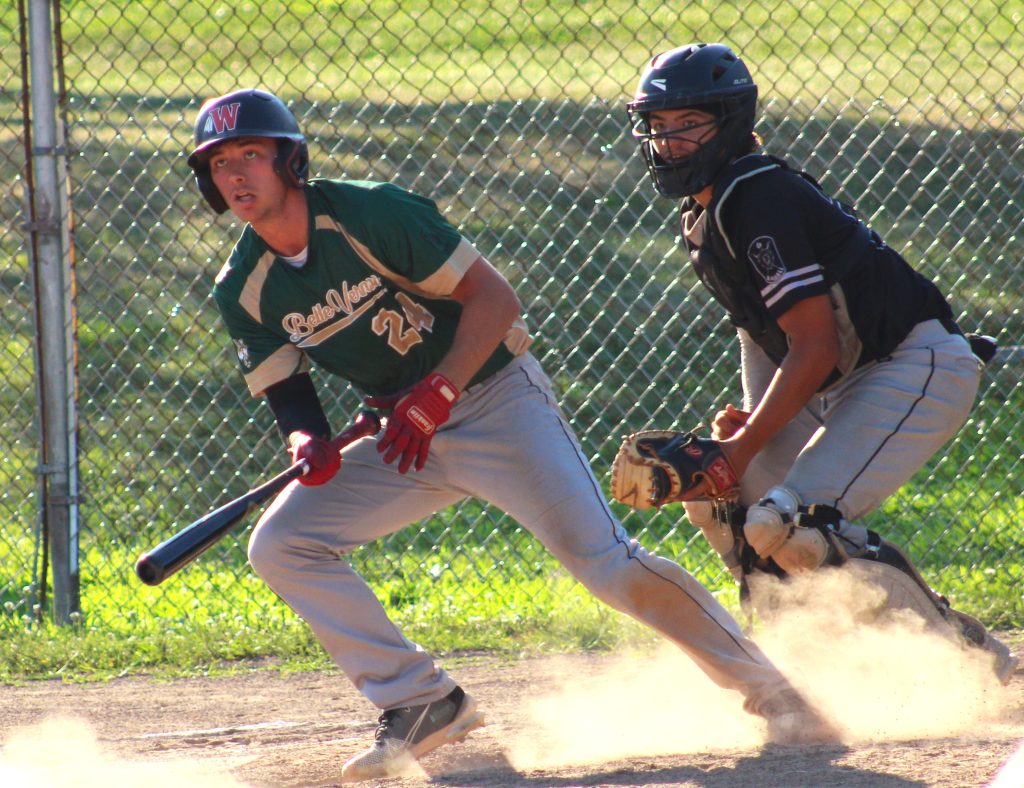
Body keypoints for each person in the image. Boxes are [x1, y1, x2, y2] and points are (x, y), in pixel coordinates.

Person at [185, 87, 838, 781]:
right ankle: (420, 701)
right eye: (219, 162)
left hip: (495, 401)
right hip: (404, 434)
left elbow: (495, 300)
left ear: (289, 161)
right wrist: (304, 445)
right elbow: (289, 394)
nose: (235, 174)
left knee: (607, 564)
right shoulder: (242, 288)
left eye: (250, 154)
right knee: (283, 544)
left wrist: (438, 392)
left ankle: (773, 689)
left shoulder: (368, 212)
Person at [623, 42, 1015, 682]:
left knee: (798, 525)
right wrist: (748, 435)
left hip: (913, 367)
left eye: (688, 123)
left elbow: (817, 344)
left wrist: (747, 445)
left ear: (729, 120)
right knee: (726, 505)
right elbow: (763, 335)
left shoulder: (757, 195)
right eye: (659, 126)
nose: (670, 141)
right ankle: (810, 664)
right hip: (842, 384)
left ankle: (964, 655)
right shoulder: (704, 214)